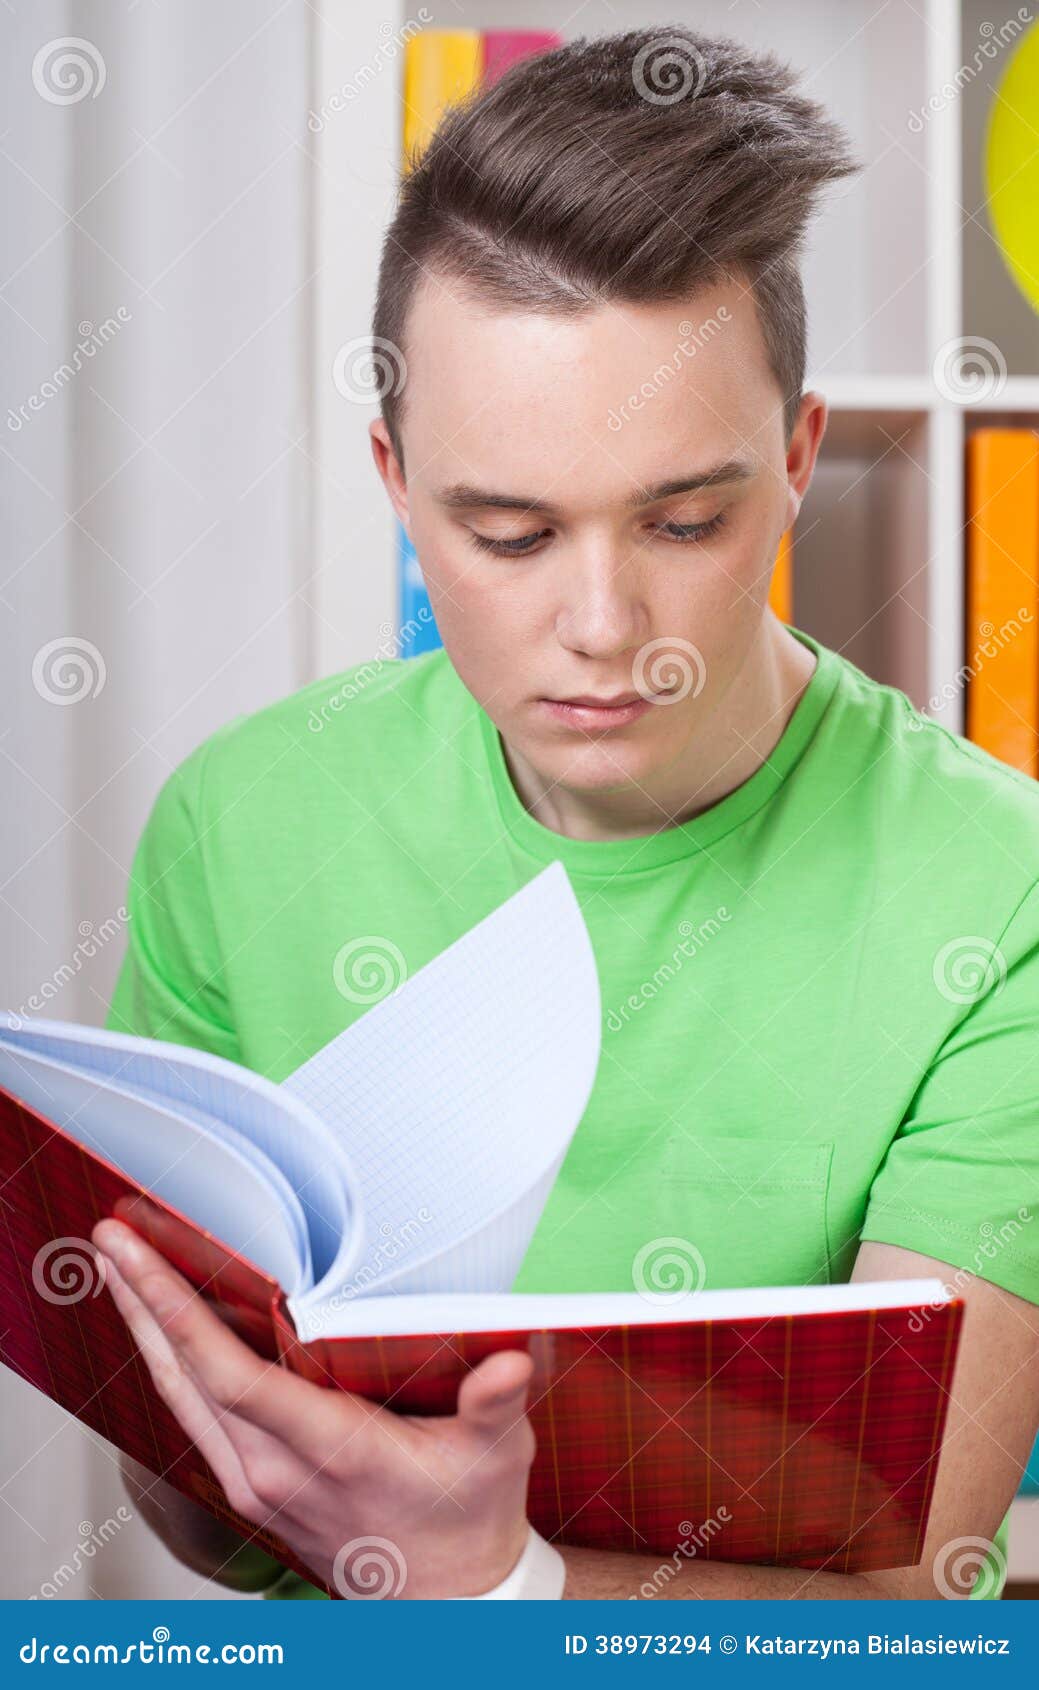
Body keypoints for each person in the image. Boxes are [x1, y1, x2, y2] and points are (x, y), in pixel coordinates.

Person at [94, 27, 1039, 1601]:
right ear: (399, 484)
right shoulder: (240, 825)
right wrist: (204, 1431)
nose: (603, 622)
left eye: (685, 517)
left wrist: (501, 1579)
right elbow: (195, 1512)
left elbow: (913, 1610)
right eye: (511, 531)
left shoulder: (1003, 896)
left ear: (798, 460)